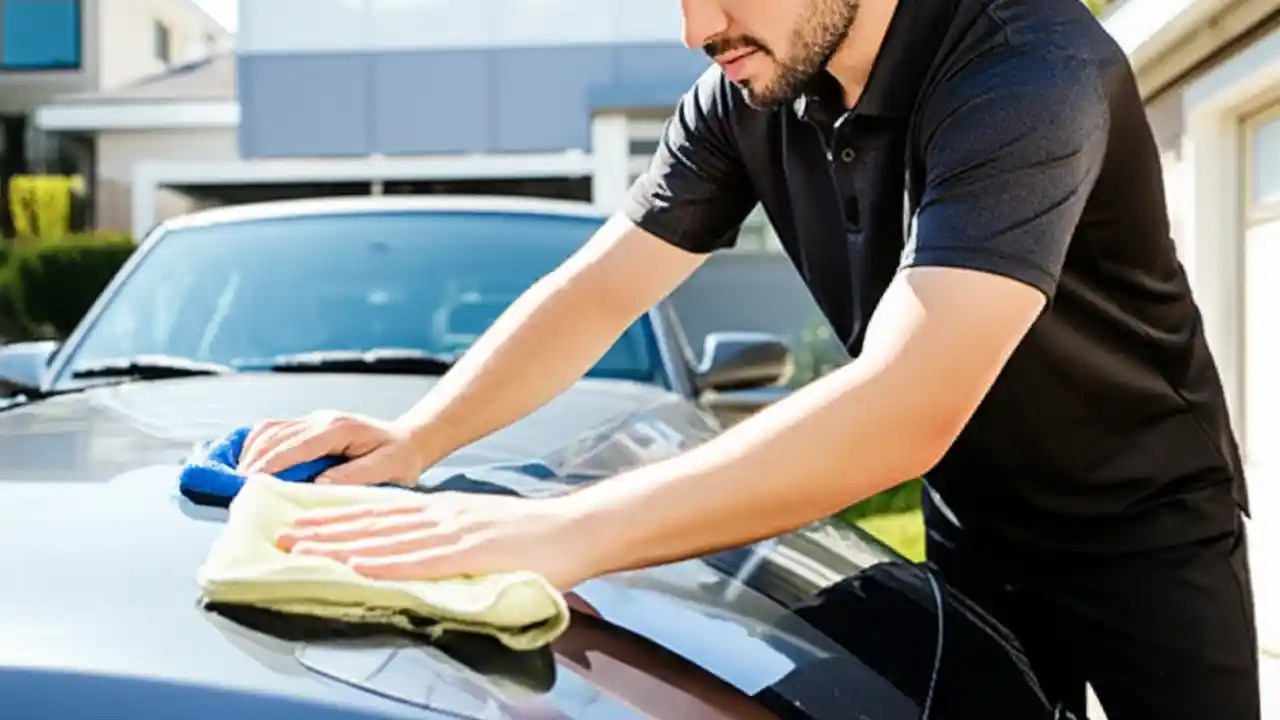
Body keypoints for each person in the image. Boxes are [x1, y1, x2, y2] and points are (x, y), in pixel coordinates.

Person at [236, 0, 1260, 717]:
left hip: (1144, 525)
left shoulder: (1030, 69)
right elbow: (596, 292)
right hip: (971, 522)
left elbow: (908, 404)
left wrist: (559, 535)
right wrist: (419, 435)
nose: (696, 28)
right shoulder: (742, 93)